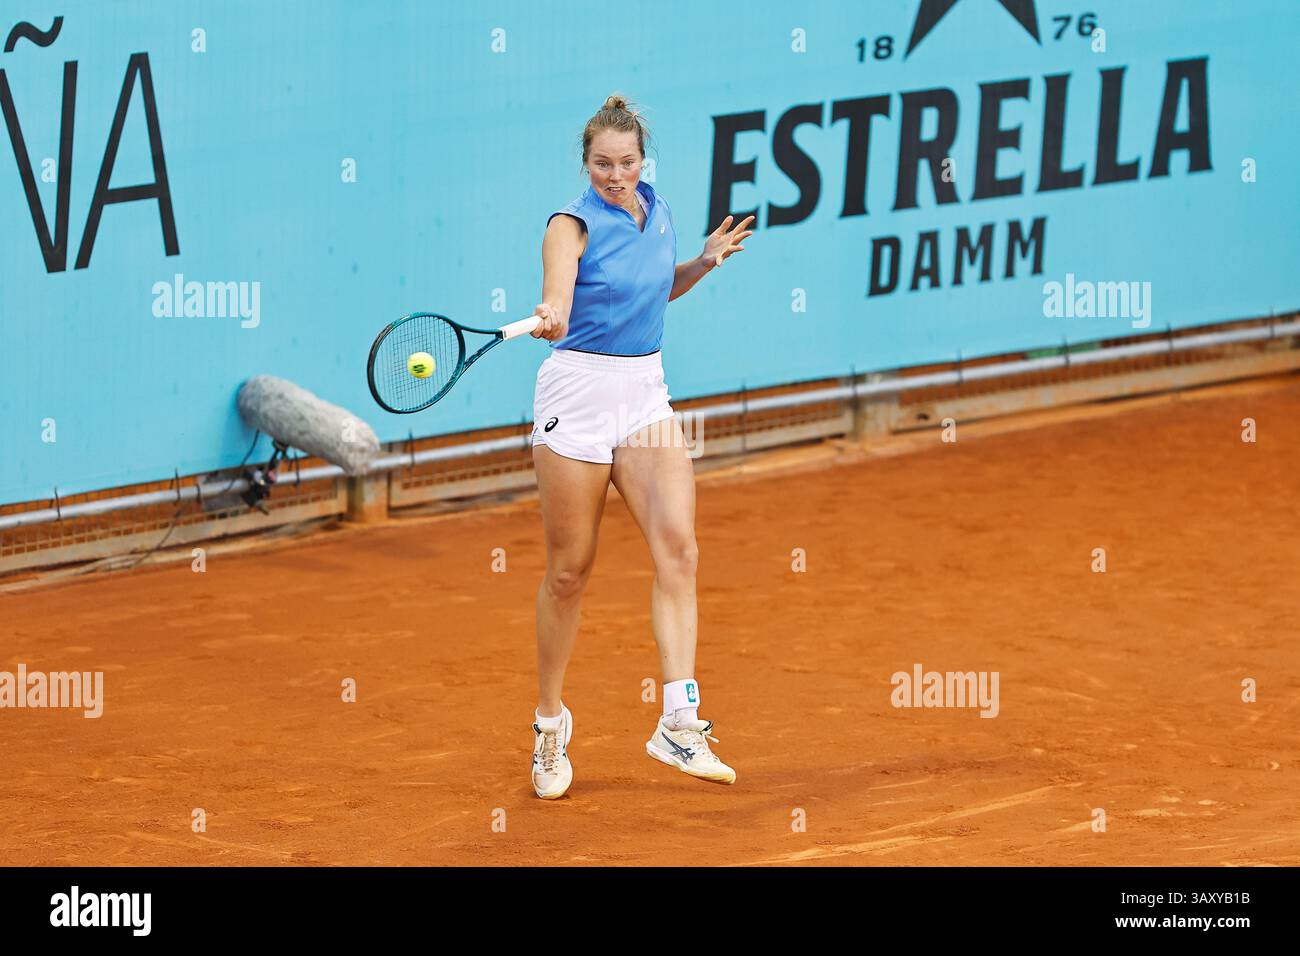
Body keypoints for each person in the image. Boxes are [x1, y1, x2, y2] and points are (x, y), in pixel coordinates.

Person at [527, 93, 754, 799]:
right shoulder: (569, 226)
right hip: (577, 396)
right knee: (571, 570)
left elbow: (657, 293)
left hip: (645, 394)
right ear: (585, 161)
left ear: (642, 161)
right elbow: (559, 297)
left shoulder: (657, 210)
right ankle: (549, 725)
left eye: (626, 163)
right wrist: (553, 311)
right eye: (602, 164)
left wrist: (704, 262)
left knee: (679, 548)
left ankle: (678, 722)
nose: (615, 175)